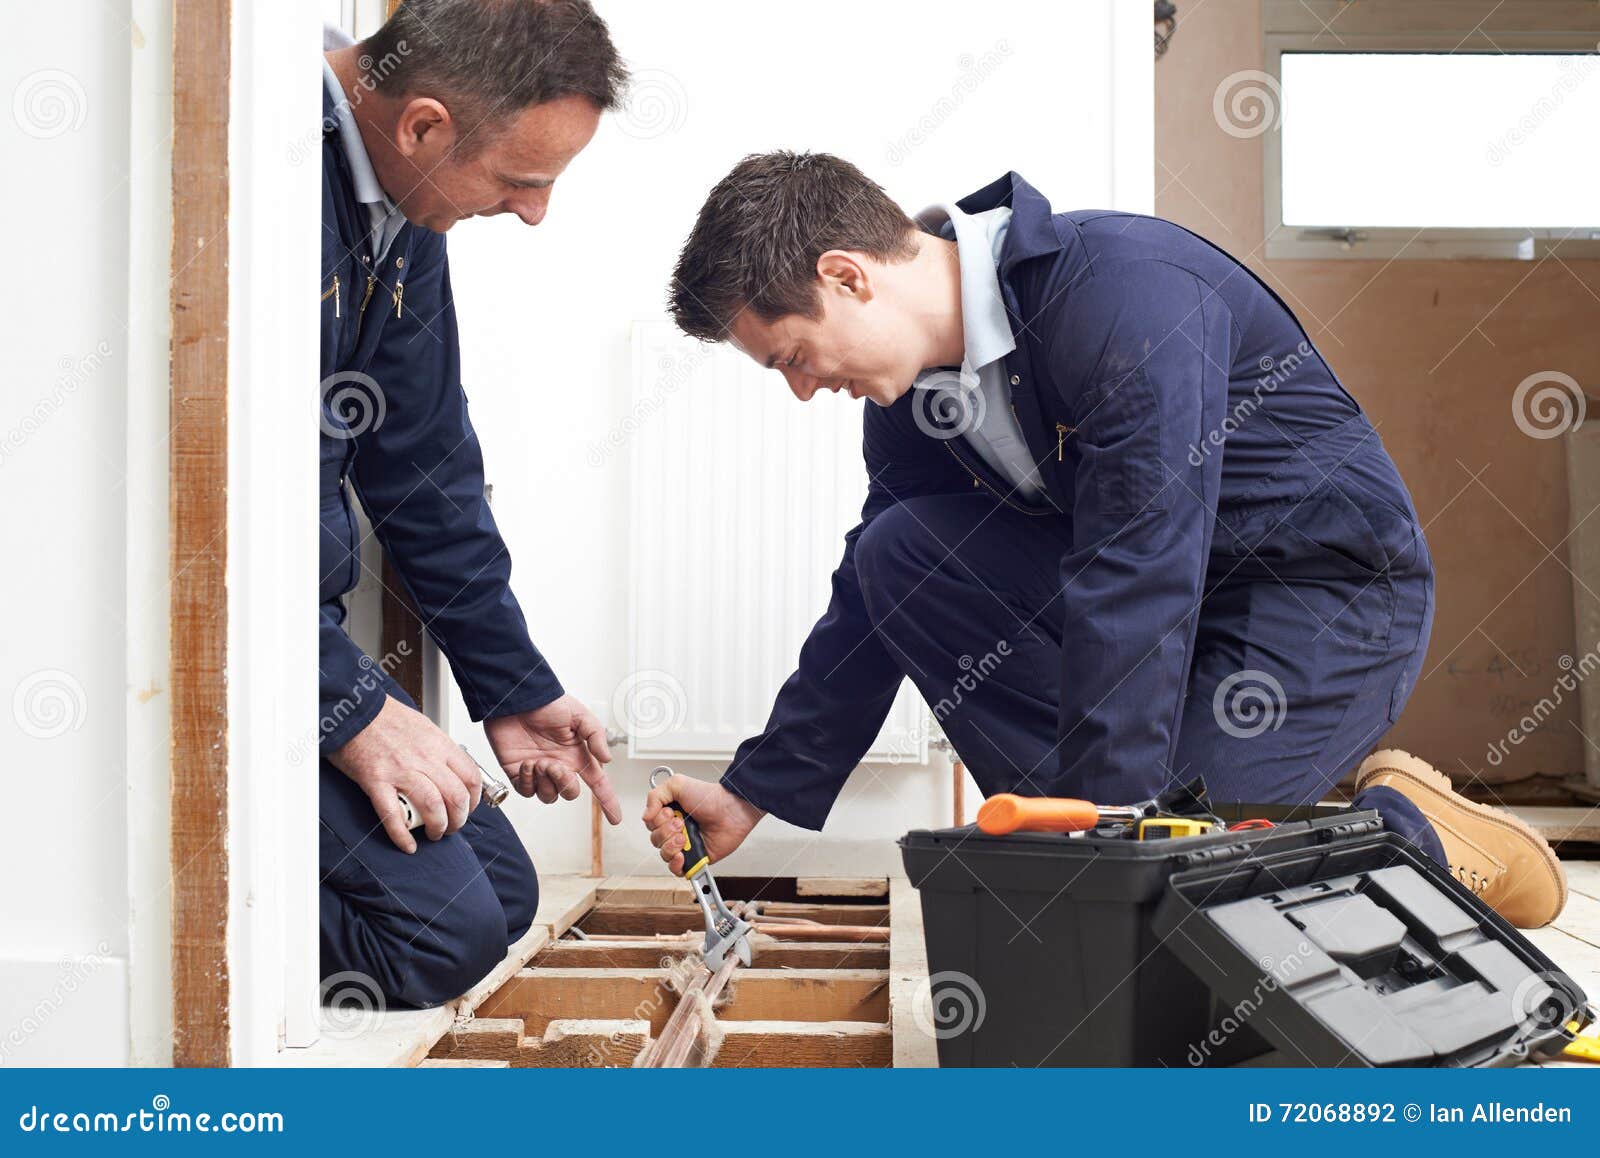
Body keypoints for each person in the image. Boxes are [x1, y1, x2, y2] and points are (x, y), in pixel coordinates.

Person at [642, 152, 1565, 929]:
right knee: (900, 553)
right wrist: (751, 791)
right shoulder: (913, 406)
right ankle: (1113, 857)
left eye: (793, 358)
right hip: (1167, 598)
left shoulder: (1122, 294)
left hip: (1318, 599)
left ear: (847, 276)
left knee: (1176, 894)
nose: (804, 389)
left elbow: (1138, 565)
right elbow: (868, 605)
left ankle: (1416, 835)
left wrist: (1116, 850)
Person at [318, 0, 627, 1008]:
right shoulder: (264, 177)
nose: (535, 212)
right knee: (433, 942)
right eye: (521, 181)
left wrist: (511, 688)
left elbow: (422, 467)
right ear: (422, 126)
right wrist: (348, 707)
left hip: (298, 645)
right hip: (234, 653)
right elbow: (194, 523)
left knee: (499, 893)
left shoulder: (403, 204)